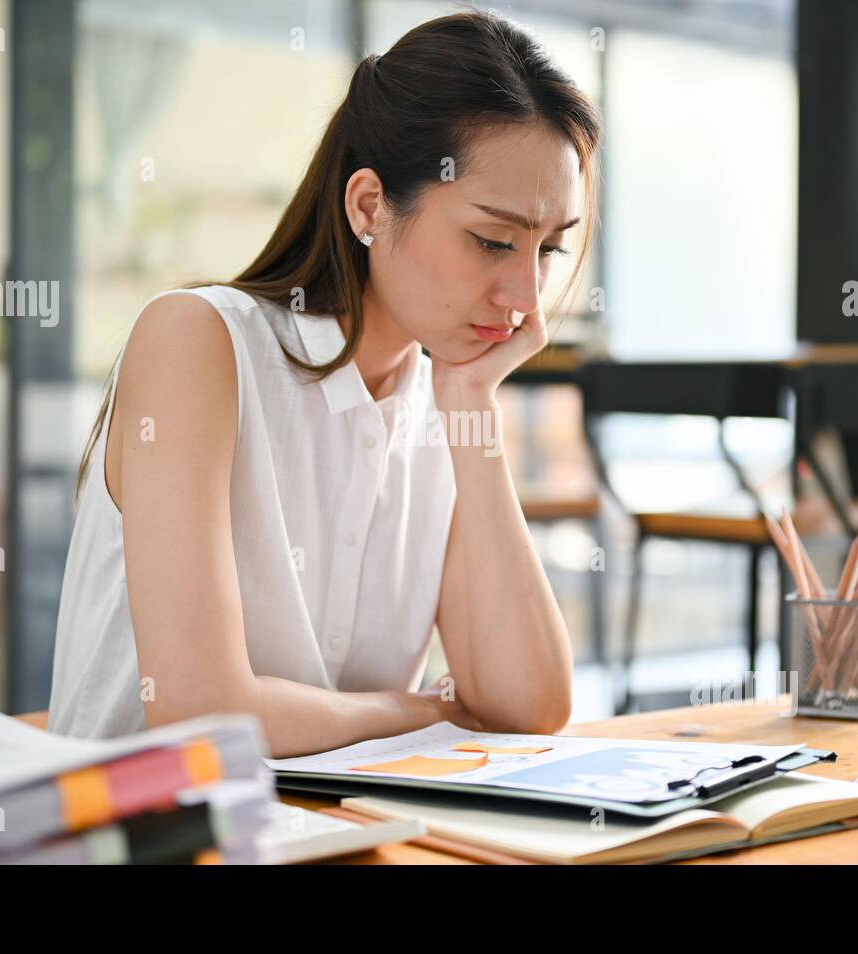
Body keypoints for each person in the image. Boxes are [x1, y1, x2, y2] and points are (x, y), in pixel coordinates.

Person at [48, 9, 602, 757]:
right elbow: (199, 719)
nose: (527, 301)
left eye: (549, 251)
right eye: (493, 241)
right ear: (370, 205)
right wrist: (424, 712)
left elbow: (527, 705)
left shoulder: (443, 404)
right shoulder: (197, 343)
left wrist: (472, 406)